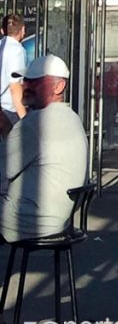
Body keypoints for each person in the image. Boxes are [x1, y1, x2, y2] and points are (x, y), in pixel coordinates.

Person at [0, 55, 88, 243]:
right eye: (25, 81)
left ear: (59, 87)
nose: (26, 86)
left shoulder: (36, 122)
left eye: (35, 82)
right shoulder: (71, 117)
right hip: (62, 220)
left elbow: (4, 168)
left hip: (29, 220)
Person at [0, 14, 28, 124]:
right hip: (8, 112)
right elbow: (15, 87)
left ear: (2, 31)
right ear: (23, 30)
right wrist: (24, 119)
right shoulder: (17, 51)